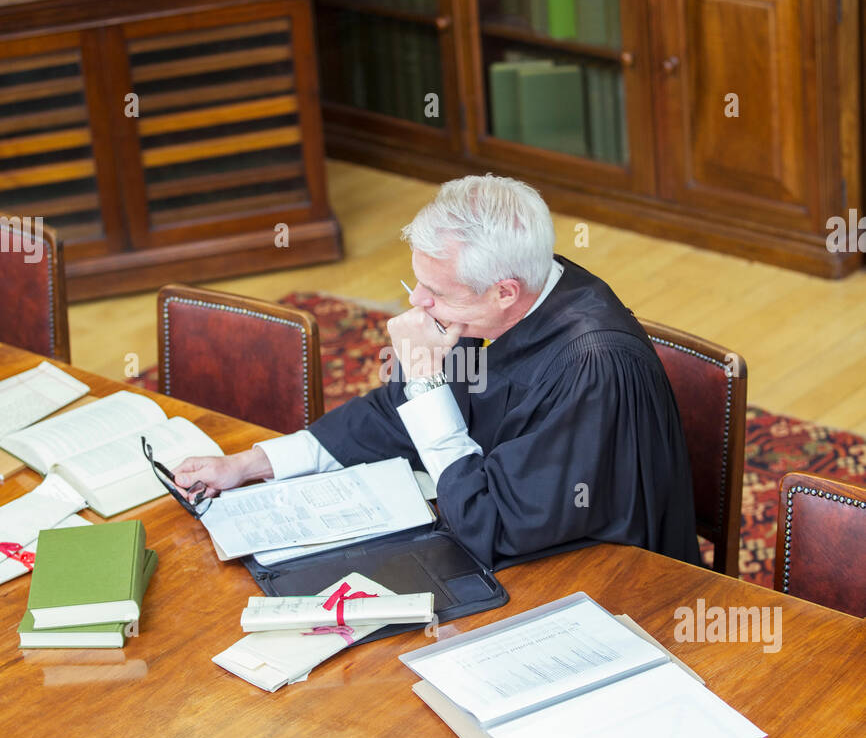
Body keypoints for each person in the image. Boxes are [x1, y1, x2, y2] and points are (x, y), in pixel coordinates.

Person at [174, 175, 701, 570]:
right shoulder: (495, 301)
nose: (416, 304)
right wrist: (251, 464)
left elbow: (491, 527)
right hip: (514, 538)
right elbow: (394, 416)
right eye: (416, 282)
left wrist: (426, 381)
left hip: (603, 580)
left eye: (436, 292)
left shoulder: (592, 367)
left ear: (505, 290)